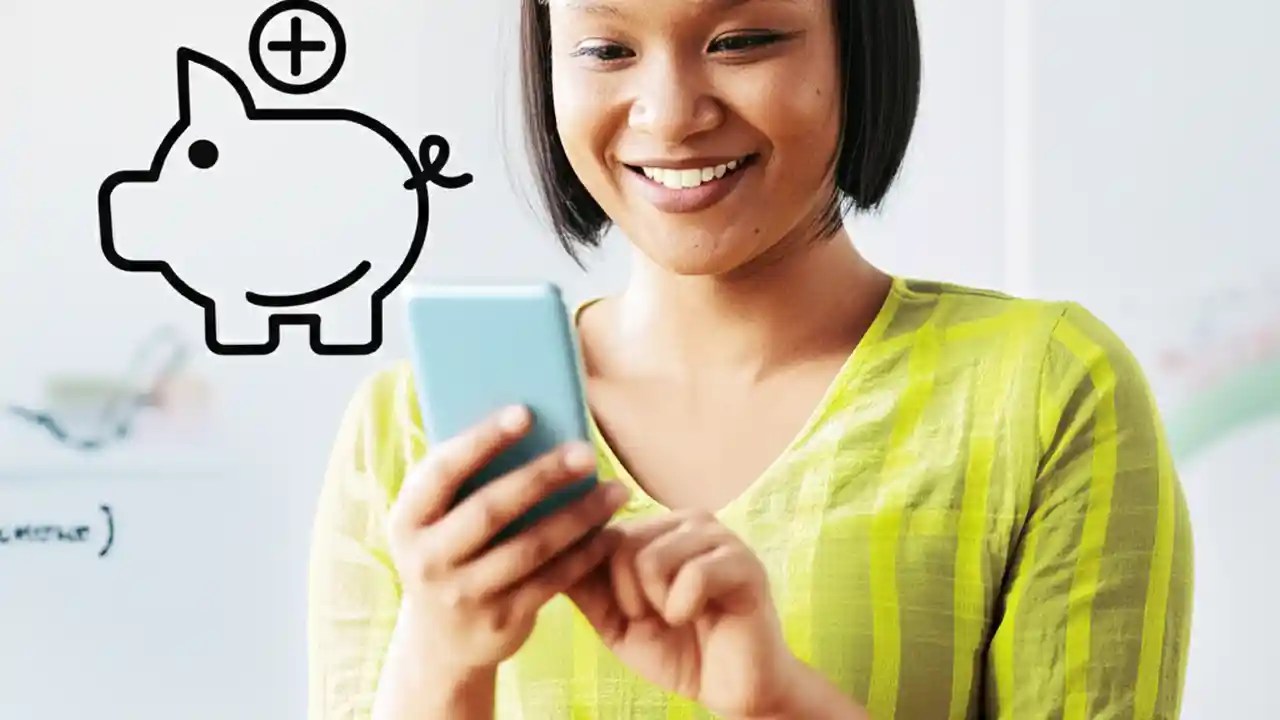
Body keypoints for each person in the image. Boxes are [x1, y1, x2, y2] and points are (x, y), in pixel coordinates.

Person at [307, 0, 1194, 717]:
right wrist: (439, 662)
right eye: (606, 50)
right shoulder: (411, 427)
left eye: (742, 40)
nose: (669, 115)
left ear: (859, 44)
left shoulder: (1044, 389)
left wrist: (779, 702)